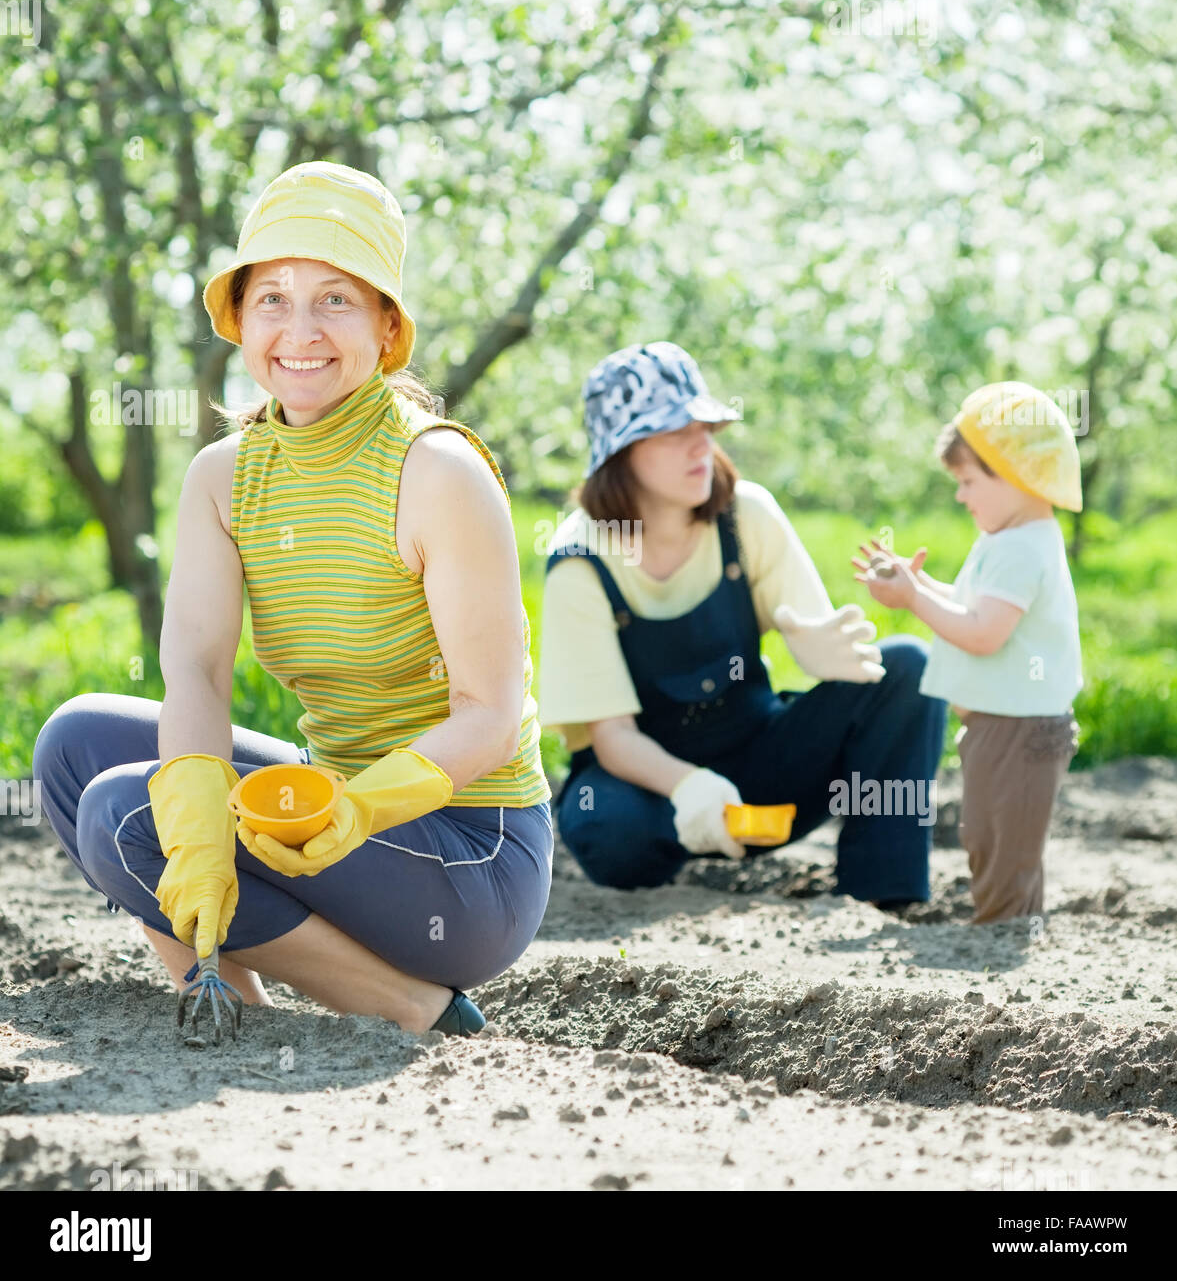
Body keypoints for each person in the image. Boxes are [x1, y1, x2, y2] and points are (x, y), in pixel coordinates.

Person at [33, 160, 552, 1036]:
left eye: (335, 300)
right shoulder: (223, 478)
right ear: (239, 318)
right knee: (76, 746)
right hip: (330, 801)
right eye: (272, 297)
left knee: (124, 815)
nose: (299, 330)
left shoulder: (438, 473)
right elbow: (194, 671)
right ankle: (224, 998)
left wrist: (357, 807)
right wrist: (198, 824)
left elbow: (489, 712)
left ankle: (410, 1006)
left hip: (470, 854)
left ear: (387, 326)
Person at [538, 342, 947, 905]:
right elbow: (612, 740)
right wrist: (691, 788)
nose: (701, 444)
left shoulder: (747, 515)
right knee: (607, 827)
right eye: (674, 431)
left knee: (908, 670)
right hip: (650, 790)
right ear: (620, 451)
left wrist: (818, 651)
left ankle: (883, 891)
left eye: (705, 425)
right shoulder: (579, 560)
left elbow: (814, 628)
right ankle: (665, 869)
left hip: (760, 767)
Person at [856, 381, 1082, 924]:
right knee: (989, 834)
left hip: (1021, 729)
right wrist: (920, 584)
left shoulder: (1022, 548)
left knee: (1005, 842)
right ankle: (1004, 919)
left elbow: (984, 633)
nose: (961, 495)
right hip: (1001, 726)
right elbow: (970, 606)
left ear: (1016, 475)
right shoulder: (1009, 538)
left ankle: (1003, 926)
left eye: (968, 481)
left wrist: (912, 600)